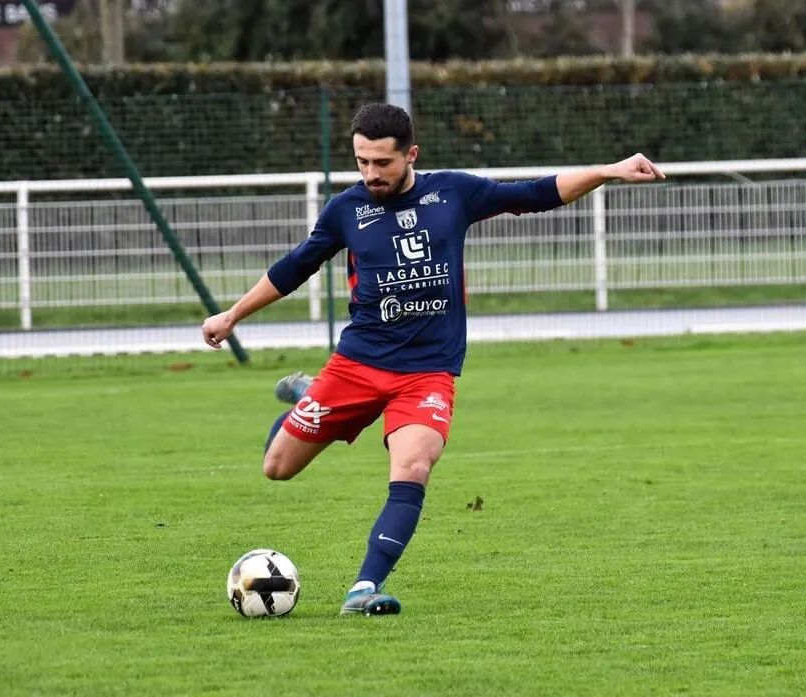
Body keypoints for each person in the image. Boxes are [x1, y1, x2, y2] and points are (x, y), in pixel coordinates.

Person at [202, 102, 665, 616]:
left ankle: (363, 589)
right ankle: (311, 396)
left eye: (382, 163)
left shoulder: (452, 193)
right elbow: (293, 268)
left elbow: (536, 193)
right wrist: (232, 315)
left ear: (411, 155)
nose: (371, 174)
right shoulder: (345, 210)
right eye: (362, 162)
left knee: (414, 465)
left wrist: (608, 171)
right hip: (356, 365)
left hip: (426, 373)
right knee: (277, 468)